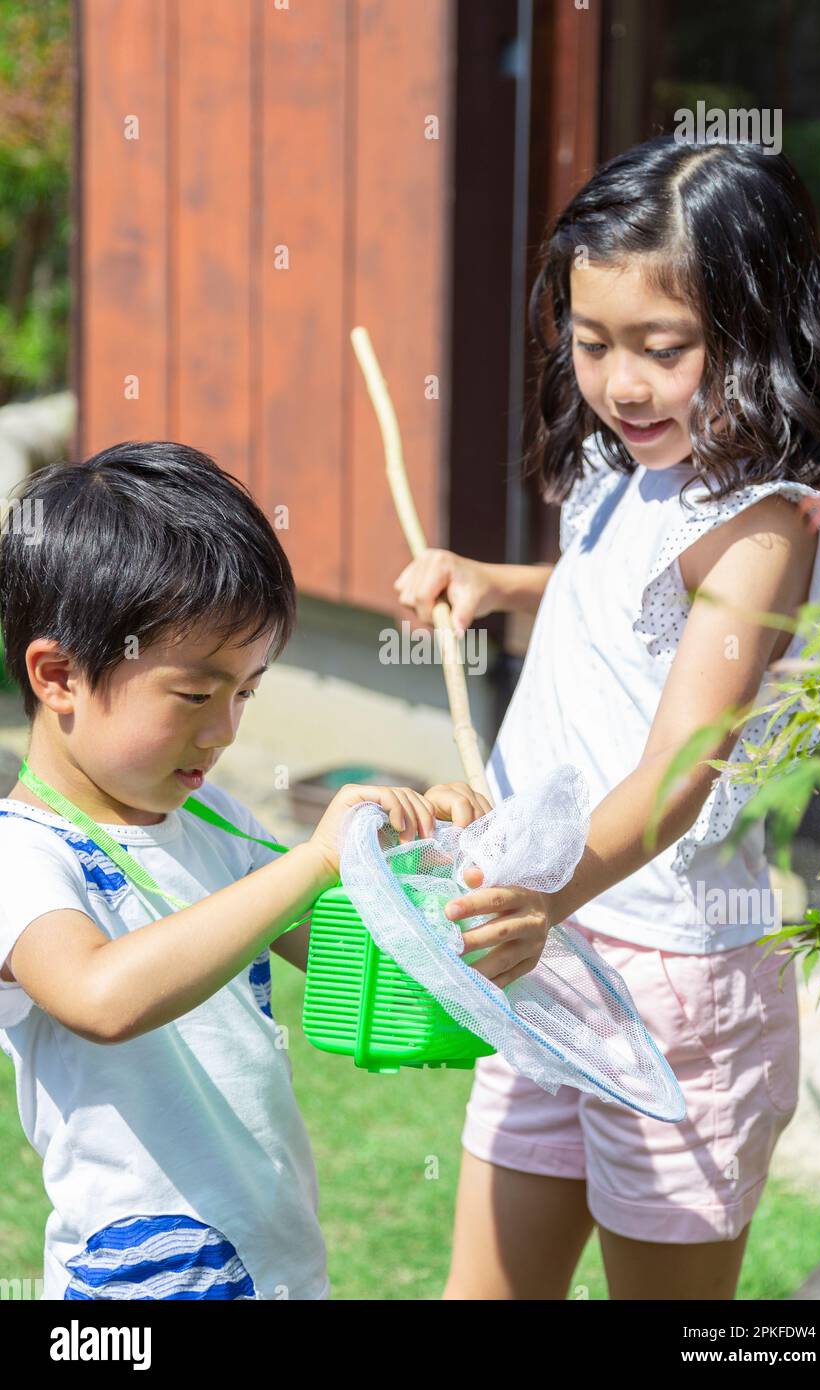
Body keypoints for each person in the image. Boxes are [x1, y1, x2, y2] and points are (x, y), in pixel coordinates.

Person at [394, 135, 820, 1300]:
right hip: (556, 949)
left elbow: (678, 770)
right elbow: (632, 600)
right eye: (591, 342)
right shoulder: (630, 463)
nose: (619, 384)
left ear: (758, 331)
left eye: (663, 349)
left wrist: (545, 894)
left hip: (668, 978)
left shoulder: (760, 526)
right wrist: (499, 584)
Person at [0, 439, 492, 1300]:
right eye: (196, 695)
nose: (224, 730)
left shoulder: (213, 819)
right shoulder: (23, 854)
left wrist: (425, 863)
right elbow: (100, 998)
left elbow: (352, 948)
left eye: (247, 694)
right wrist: (313, 862)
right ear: (59, 675)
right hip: (139, 1282)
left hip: (272, 1262)